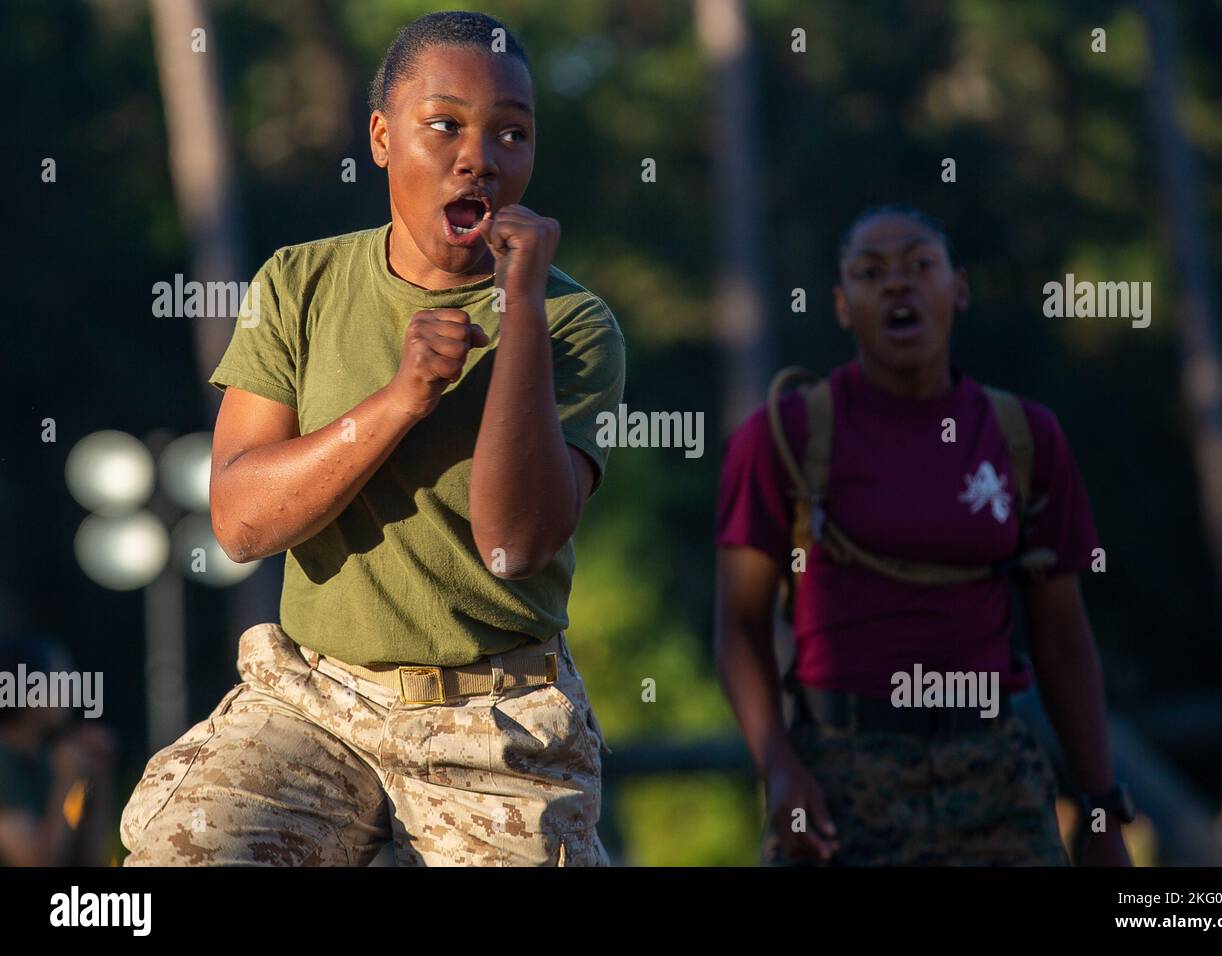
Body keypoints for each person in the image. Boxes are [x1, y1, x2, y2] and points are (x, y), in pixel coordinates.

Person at [120, 11, 624, 867]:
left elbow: (516, 546)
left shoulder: (575, 325)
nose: (480, 156)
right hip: (314, 697)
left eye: (513, 132)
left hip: (493, 718)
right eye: (445, 125)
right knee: (178, 851)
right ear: (382, 137)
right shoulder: (299, 282)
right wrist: (398, 401)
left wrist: (524, 312)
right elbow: (241, 524)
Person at [714, 204, 1133, 866]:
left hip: (996, 776)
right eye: (870, 272)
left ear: (958, 289)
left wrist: (1103, 806)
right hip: (841, 780)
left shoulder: (1024, 438)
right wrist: (779, 767)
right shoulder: (784, 437)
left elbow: (1062, 634)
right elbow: (739, 623)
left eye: (919, 265)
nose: (897, 285)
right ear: (842, 304)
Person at [0, 635, 117, 866]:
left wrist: (100, 773)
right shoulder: (5, 764)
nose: (72, 687)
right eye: (60, 678)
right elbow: (36, 862)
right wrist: (66, 780)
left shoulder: (47, 758)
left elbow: (93, 857)